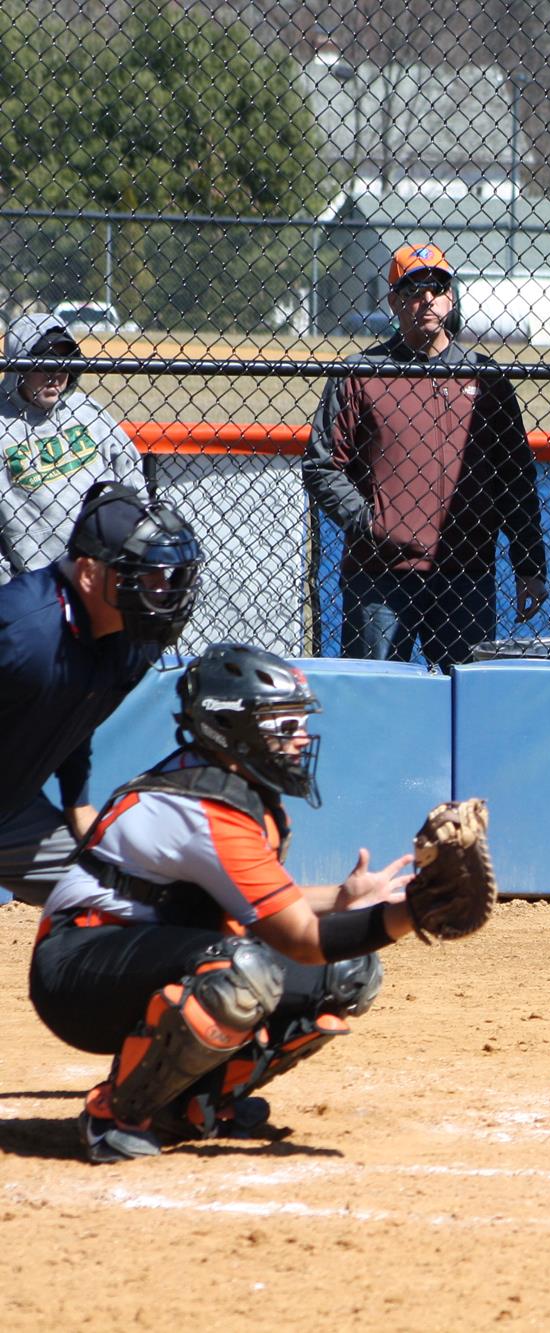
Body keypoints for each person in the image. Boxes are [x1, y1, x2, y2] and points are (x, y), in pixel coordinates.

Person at [31, 644, 422, 1162]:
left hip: (146, 952)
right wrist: (413, 913)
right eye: (283, 725)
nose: (300, 738)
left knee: (347, 973)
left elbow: (258, 907)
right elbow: (300, 940)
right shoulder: (204, 806)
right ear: (230, 726)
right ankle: (118, 1114)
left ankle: (193, 1105)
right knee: (240, 970)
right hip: (78, 970)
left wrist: (342, 899)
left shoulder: (236, 787)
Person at [304, 243, 547, 671]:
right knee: (374, 698)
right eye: (414, 290)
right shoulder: (363, 373)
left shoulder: (485, 377)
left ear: (450, 298)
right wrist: (369, 523)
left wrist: (528, 564)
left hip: (466, 572)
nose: (427, 299)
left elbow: (515, 478)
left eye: (437, 288)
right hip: (380, 575)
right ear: (394, 300)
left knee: (465, 705)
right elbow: (323, 465)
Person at [0, 483, 202, 906]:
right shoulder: (23, 634)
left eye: (165, 576)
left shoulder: (135, 639)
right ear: (90, 572)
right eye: (142, 574)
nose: (160, 590)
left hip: (12, 814)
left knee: (136, 899)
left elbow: (73, 715)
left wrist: (77, 804)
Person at [0, 312, 145, 581]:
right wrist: (12, 586)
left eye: (63, 362)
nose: (56, 375)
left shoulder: (86, 411)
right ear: (18, 365)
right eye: (43, 363)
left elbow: (130, 471)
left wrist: (137, 541)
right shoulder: (2, 425)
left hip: (108, 566)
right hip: (40, 581)